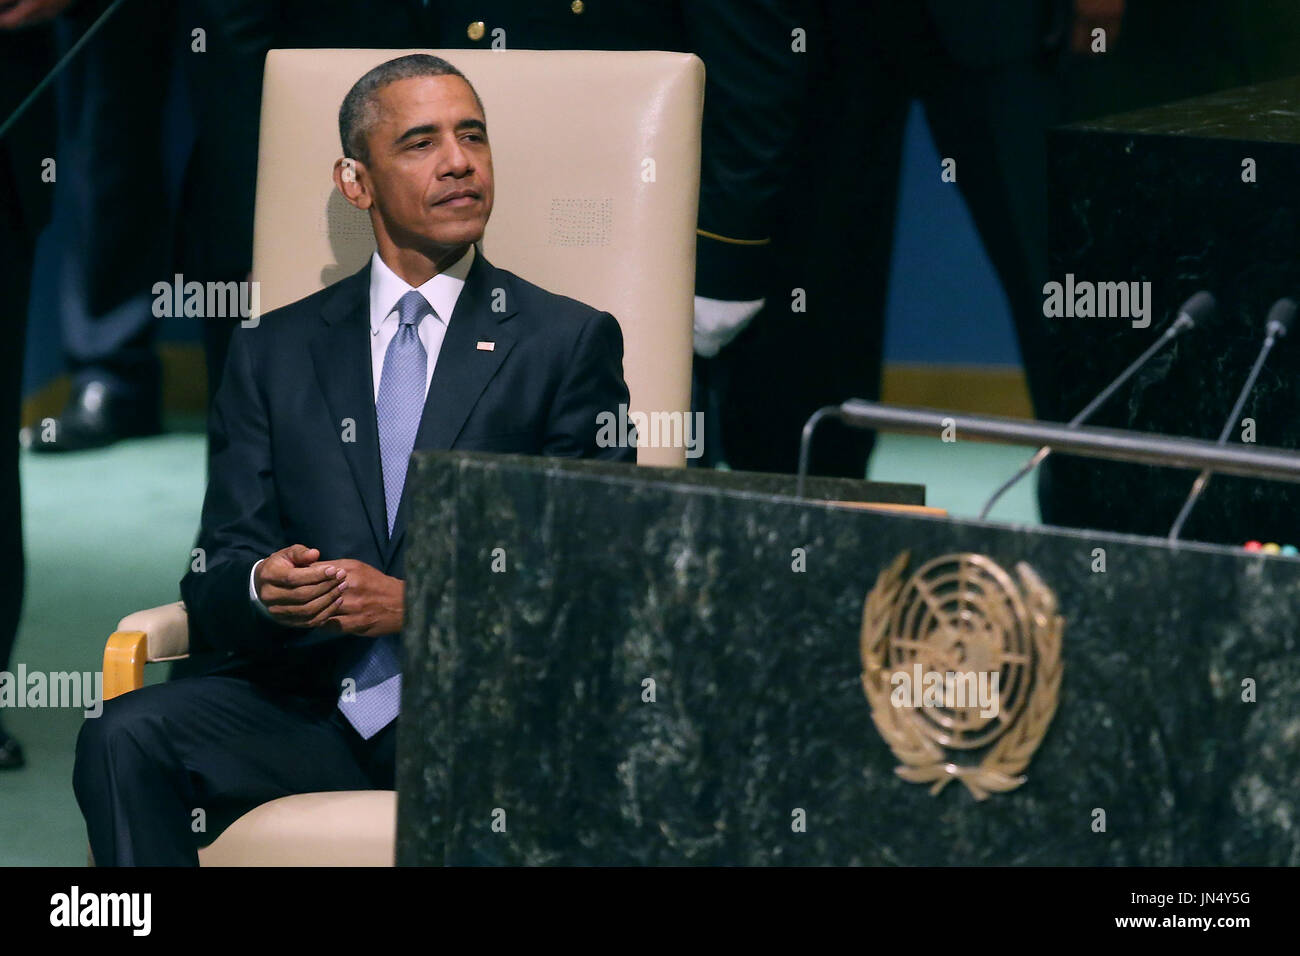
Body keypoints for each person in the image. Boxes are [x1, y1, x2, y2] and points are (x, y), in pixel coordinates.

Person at [73, 54, 635, 865]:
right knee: (125, 735)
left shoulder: (565, 343)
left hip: (483, 714)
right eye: (420, 142)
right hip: (305, 710)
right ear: (356, 180)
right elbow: (217, 567)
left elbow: (602, 576)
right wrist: (263, 589)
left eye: (471, 136)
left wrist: (422, 606)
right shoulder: (273, 350)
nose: (458, 162)